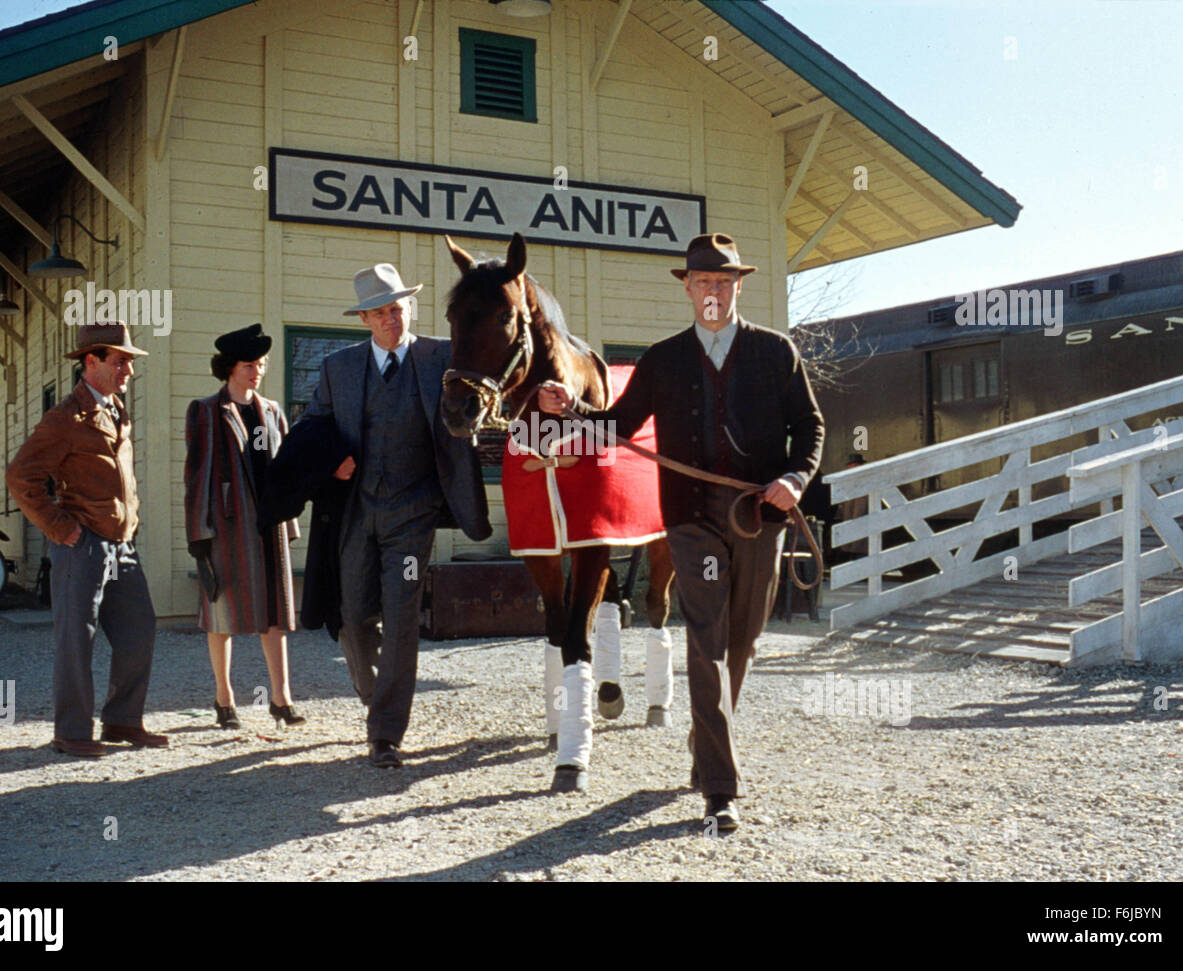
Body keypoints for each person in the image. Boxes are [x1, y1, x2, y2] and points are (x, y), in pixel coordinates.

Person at [539, 233, 824, 831]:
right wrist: (571, 409)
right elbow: (617, 425)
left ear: (738, 286)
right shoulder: (663, 359)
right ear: (688, 289)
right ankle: (720, 789)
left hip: (759, 516)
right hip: (692, 521)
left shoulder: (775, 353)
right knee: (706, 640)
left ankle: (706, 742)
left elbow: (810, 424)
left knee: (742, 641)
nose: (712, 291)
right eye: (702, 282)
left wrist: (795, 479)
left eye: (723, 282)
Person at [301, 263, 490, 767]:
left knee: (403, 617)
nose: (391, 318)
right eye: (380, 312)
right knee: (354, 620)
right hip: (357, 513)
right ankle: (375, 694)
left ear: (410, 308)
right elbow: (313, 427)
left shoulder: (443, 359)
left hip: (414, 512)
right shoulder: (338, 368)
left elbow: (489, 398)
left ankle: (385, 732)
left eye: (397, 308)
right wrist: (328, 463)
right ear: (364, 318)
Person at [6, 322, 166, 757]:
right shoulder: (64, 419)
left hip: (122, 545)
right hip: (82, 545)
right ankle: (72, 732)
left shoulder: (117, 409)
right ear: (90, 361)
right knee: (78, 640)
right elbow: (21, 477)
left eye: (130, 362)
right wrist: (61, 527)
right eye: (120, 362)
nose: (128, 371)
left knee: (139, 631)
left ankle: (122, 721)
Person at [184, 323, 303, 729]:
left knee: (275, 613)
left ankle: (281, 699)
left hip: (269, 526)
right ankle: (224, 698)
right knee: (223, 614)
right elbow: (197, 475)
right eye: (250, 364)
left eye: (262, 364)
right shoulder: (206, 411)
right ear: (230, 368)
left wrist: (289, 525)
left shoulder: (271, 411)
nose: (258, 371)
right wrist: (199, 534)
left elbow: (286, 471)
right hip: (226, 527)